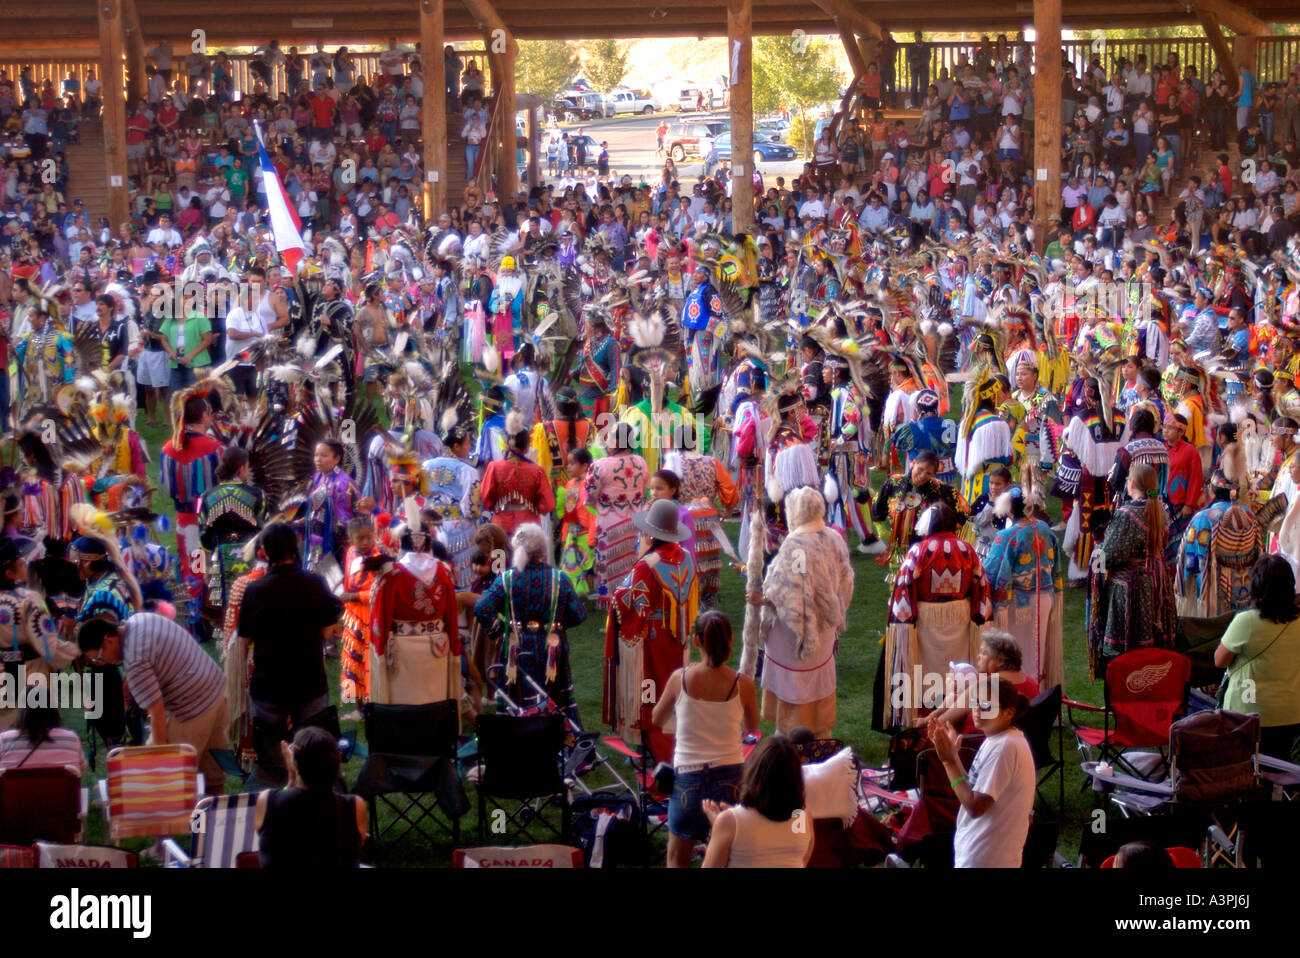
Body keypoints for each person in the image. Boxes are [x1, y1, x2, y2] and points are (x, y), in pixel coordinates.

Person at [234, 522, 341, 787]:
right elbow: (328, 633)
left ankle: (277, 803)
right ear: (295, 548)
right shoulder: (315, 583)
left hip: (269, 682)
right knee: (313, 752)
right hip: (309, 679)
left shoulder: (254, 590)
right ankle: (314, 803)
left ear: (264, 553)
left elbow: (244, 638)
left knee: (272, 758)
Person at [651, 611, 760, 868]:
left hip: (688, 779)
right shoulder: (743, 684)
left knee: (677, 860)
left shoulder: (680, 678)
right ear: (731, 640)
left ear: (696, 641)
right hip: (731, 777)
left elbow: (656, 718)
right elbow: (752, 727)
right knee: (729, 856)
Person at [78, 610, 229, 794]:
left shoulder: (134, 660)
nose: (101, 663)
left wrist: (159, 765)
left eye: (98, 658)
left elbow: (156, 713)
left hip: (191, 707)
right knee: (211, 778)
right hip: (217, 690)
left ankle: (180, 820)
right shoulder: (139, 619)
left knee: (171, 786)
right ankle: (214, 818)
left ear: (108, 641)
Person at [750, 487, 853, 738]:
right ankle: (820, 736)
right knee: (818, 683)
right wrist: (834, 611)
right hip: (825, 630)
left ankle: (790, 736)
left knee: (794, 688)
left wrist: (761, 598)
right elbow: (846, 580)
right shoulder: (834, 537)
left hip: (795, 636)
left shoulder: (795, 545)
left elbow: (790, 594)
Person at [883, 502, 992, 727]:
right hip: (959, 617)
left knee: (925, 670)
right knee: (957, 667)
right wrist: (980, 617)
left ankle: (925, 717)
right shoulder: (966, 549)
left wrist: (902, 622)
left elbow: (903, 586)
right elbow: (981, 583)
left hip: (927, 619)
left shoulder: (918, 550)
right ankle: (955, 716)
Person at [606, 497, 698, 762]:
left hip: (650, 641)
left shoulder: (647, 565)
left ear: (650, 532)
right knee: (671, 691)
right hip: (677, 636)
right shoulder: (687, 558)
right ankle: (672, 741)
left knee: (650, 691)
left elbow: (623, 599)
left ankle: (652, 748)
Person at [474, 523, 586, 724]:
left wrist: (500, 628)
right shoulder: (559, 578)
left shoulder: (506, 579)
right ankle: (558, 743)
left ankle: (517, 742)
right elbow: (578, 614)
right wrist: (556, 623)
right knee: (553, 697)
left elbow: (482, 607)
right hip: (550, 647)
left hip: (517, 646)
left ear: (517, 549)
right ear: (543, 549)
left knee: (516, 699)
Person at [928, 677, 1035, 868]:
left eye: (986, 705)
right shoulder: (999, 739)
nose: (977, 709)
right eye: (975, 702)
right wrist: (953, 757)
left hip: (986, 858)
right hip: (985, 855)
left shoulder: (1004, 747)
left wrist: (948, 763)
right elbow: (973, 788)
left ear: (1008, 712)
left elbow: (975, 806)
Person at [1088, 462, 1177, 679]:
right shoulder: (1161, 510)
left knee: (1129, 650)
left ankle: (1127, 686)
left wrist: (1096, 551)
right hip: (1158, 583)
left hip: (1131, 588)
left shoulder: (1127, 514)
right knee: (1152, 643)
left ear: (1132, 483)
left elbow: (1109, 555)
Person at [1215, 556, 1300, 761]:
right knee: (1278, 761)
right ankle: (1277, 788)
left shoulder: (1246, 621)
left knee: (1246, 764)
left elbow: (1219, 660)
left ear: (1256, 586)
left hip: (1248, 713)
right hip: (1293, 715)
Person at [984, 486, 1064, 689]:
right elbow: (1056, 566)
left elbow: (991, 571)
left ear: (1010, 509)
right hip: (1045, 598)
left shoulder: (1007, 536)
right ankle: (1037, 693)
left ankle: (1020, 696)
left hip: (1019, 604)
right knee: (1037, 650)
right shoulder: (1045, 529)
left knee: (1017, 652)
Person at [256, 726, 367, 868]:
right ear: (336, 761)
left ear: (296, 764)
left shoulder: (267, 801)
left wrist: (291, 780)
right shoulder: (354, 806)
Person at [0, 536, 78, 732]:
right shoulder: (28, 600)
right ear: (10, 572)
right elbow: (50, 649)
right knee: (36, 744)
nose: (26, 566)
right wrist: (77, 649)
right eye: (22, 563)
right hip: (31, 681)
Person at [701, 735, 813, 868]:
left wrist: (719, 827)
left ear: (753, 773)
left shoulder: (729, 822)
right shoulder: (804, 818)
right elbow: (800, 861)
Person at [585, 421, 649, 606]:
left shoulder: (599, 466)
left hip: (608, 524)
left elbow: (589, 495)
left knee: (607, 566)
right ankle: (630, 604)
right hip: (635, 522)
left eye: (610, 437)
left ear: (617, 440)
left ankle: (612, 609)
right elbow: (644, 491)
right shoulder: (641, 463)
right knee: (632, 563)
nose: (606, 442)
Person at [0, 706, 86, 773]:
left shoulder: (3, 741)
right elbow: (79, 771)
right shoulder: (71, 740)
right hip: (59, 795)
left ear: (22, 712)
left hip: (16, 796)